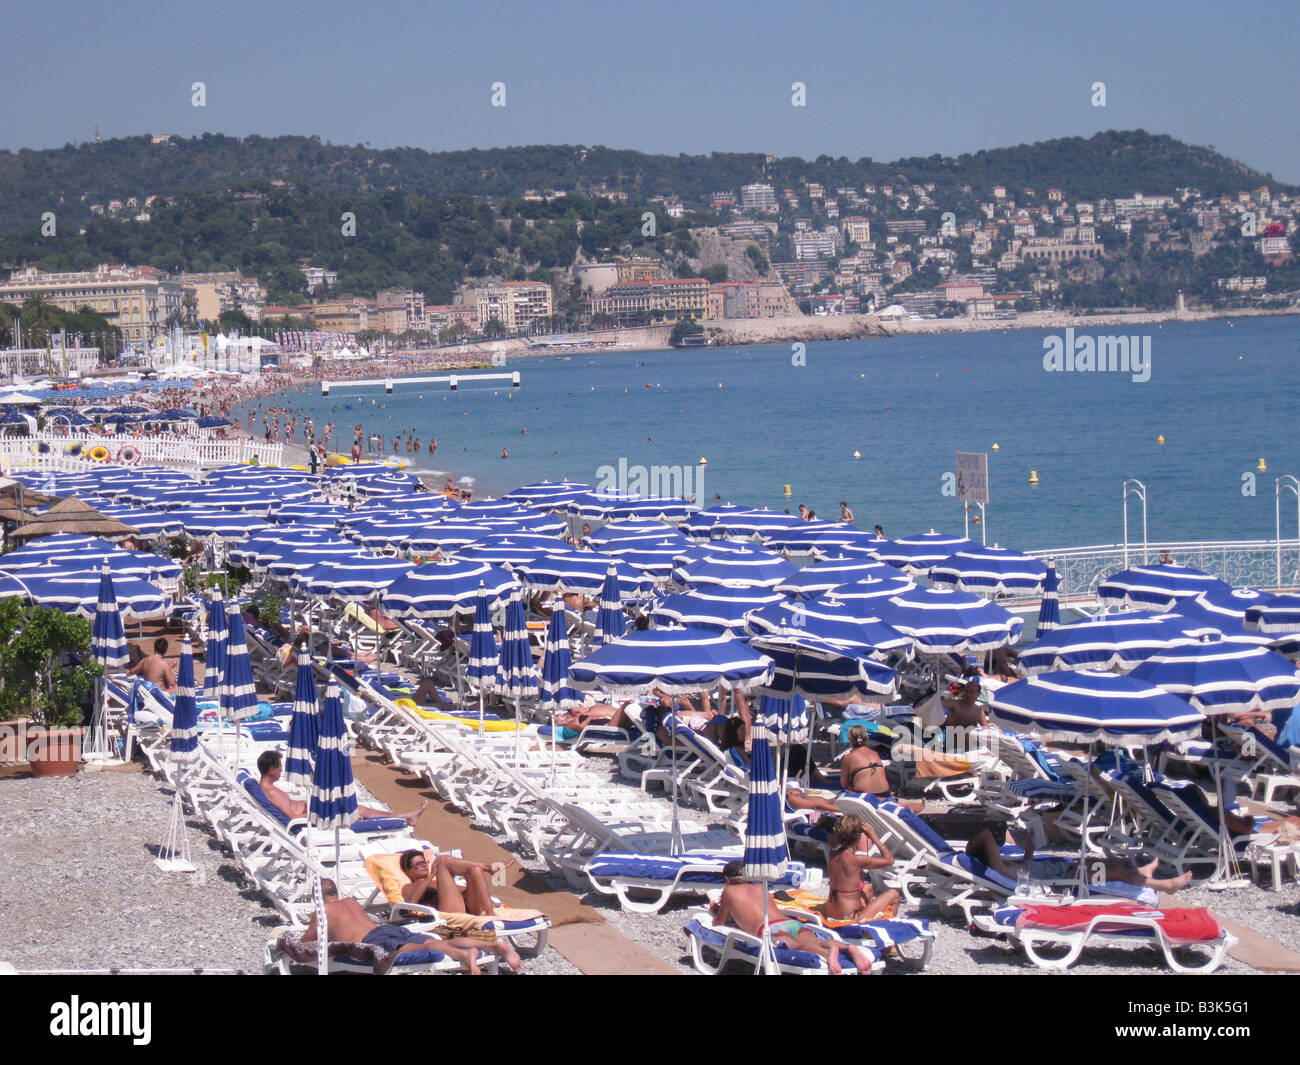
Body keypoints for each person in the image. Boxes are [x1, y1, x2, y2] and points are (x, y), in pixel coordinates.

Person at [301, 878, 516, 975]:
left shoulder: (322, 911)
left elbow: (305, 943)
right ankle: (494, 946)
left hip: (373, 941)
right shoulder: (350, 901)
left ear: (317, 898)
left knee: (421, 949)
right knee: (435, 941)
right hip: (385, 929)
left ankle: (464, 957)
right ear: (335, 893)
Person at [710, 861, 873, 975]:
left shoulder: (729, 891)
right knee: (814, 941)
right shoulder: (761, 886)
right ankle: (845, 948)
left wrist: (716, 910)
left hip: (768, 928)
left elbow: (720, 922)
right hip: (789, 922)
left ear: (727, 879)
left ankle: (827, 954)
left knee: (796, 946)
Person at [964, 834, 1193, 894]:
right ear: (989, 856)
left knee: (1107, 865)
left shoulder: (1006, 867)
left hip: (1066, 870)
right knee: (1114, 870)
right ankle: (1165, 885)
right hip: (1065, 881)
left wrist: (1030, 848)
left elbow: (1029, 866)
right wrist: (977, 847)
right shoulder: (1001, 870)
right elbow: (985, 835)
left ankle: (1139, 872)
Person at [256, 750, 428, 826]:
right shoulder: (270, 791)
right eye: (279, 767)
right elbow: (294, 817)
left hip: (312, 811)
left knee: (358, 809)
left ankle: (402, 817)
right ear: (271, 770)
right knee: (358, 810)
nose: (281, 770)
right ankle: (403, 818)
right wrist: (314, 810)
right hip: (312, 819)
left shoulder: (266, 786)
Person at [825, 814, 901, 920]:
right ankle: (887, 925)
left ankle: (871, 914)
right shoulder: (856, 860)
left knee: (868, 887)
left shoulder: (832, 854)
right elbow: (889, 860)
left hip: (832, 911)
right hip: (850, 916)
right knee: (894, 894)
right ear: (858, 836)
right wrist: (873, 836)